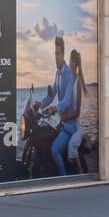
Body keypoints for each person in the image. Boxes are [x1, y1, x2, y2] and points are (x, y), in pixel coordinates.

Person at [45, 36, 79, 176]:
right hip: (62, 123)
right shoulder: (58, 73)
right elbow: (51, 94)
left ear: (63, 54)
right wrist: (39, 104)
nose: (56, 56)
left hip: (70, 126)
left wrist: (55, 108)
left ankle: (63, 178)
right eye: (54, 53)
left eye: (58, 53)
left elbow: (66, 100)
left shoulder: (68, 75)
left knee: (54, 150)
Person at [64, 48, 88, 174]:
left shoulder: (78, 81)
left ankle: (80, 173)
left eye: (70, 61)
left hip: (79, 125)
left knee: (71, 146)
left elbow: (78, 111)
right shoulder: (71, 80)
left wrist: (66, 117)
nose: (69, 63)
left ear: (74, 63)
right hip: (73, 122)